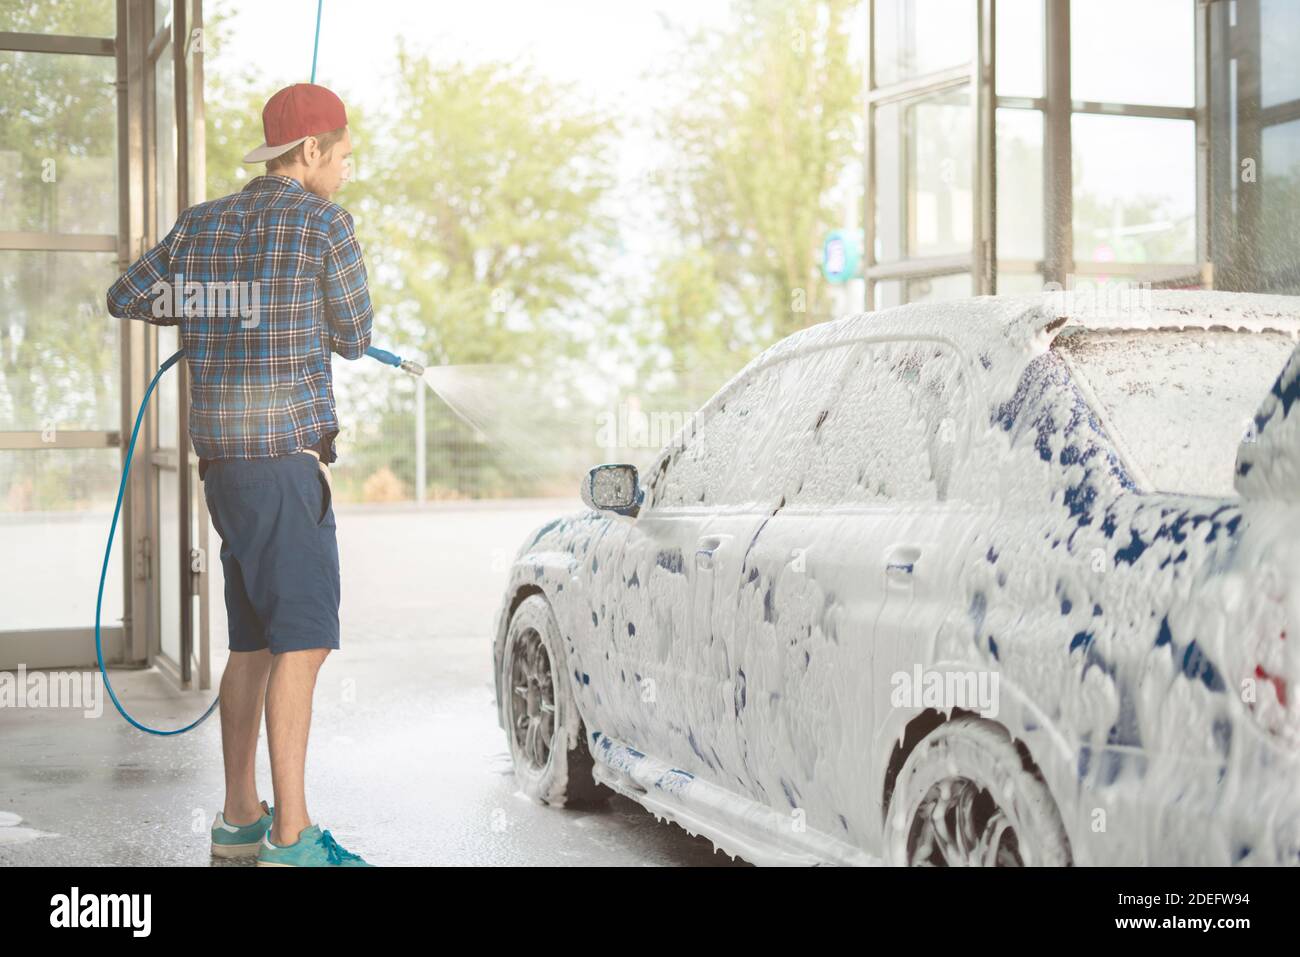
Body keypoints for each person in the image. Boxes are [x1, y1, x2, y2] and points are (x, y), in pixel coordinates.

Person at [107, 82, 373, 867]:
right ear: (311, 152)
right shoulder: (325, 223)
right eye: (345, 155)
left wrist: (206, 299)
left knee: (254, 641)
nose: (348, 171)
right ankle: (292, 834)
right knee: (305, 641)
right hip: (287, 468)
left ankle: (238, 819)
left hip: (224, 471)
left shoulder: (200, 224)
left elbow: (126, 294)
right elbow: (355, 335)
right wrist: (296, 309)